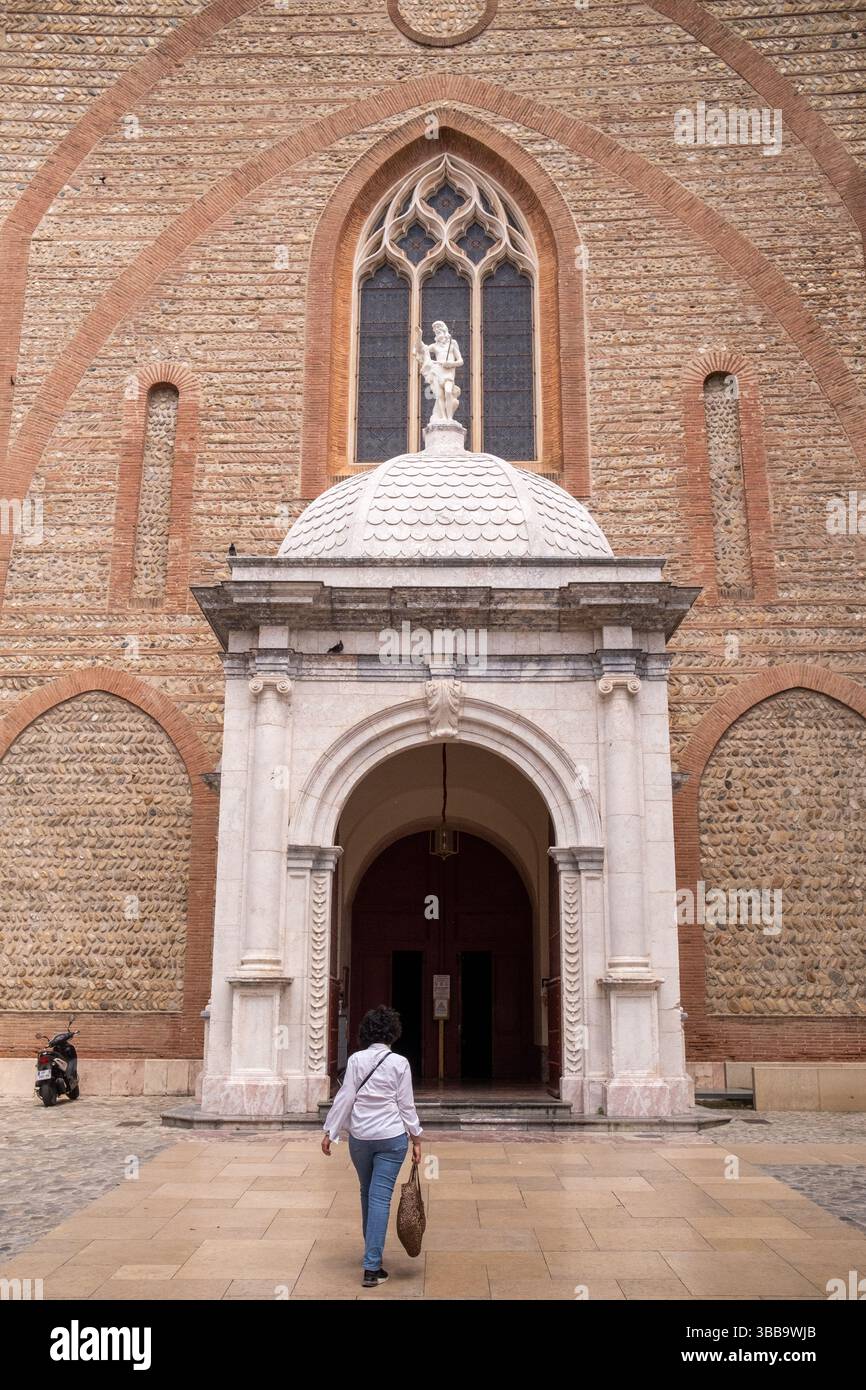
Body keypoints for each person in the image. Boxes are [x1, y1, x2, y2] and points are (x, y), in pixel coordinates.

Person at [321, 1004, 423, 1287]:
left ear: (366, 1032)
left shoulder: (355, 1061)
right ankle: (371, 1266)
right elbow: (406, 1105)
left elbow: (345, 1097)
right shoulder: (400, 1063)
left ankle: (372, 1253)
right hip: (391, 1138)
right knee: (379, 1198)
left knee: (368, 1194)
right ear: (393, 1033)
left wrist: (330, 1131)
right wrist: (416, 1137)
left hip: (361, 1138)